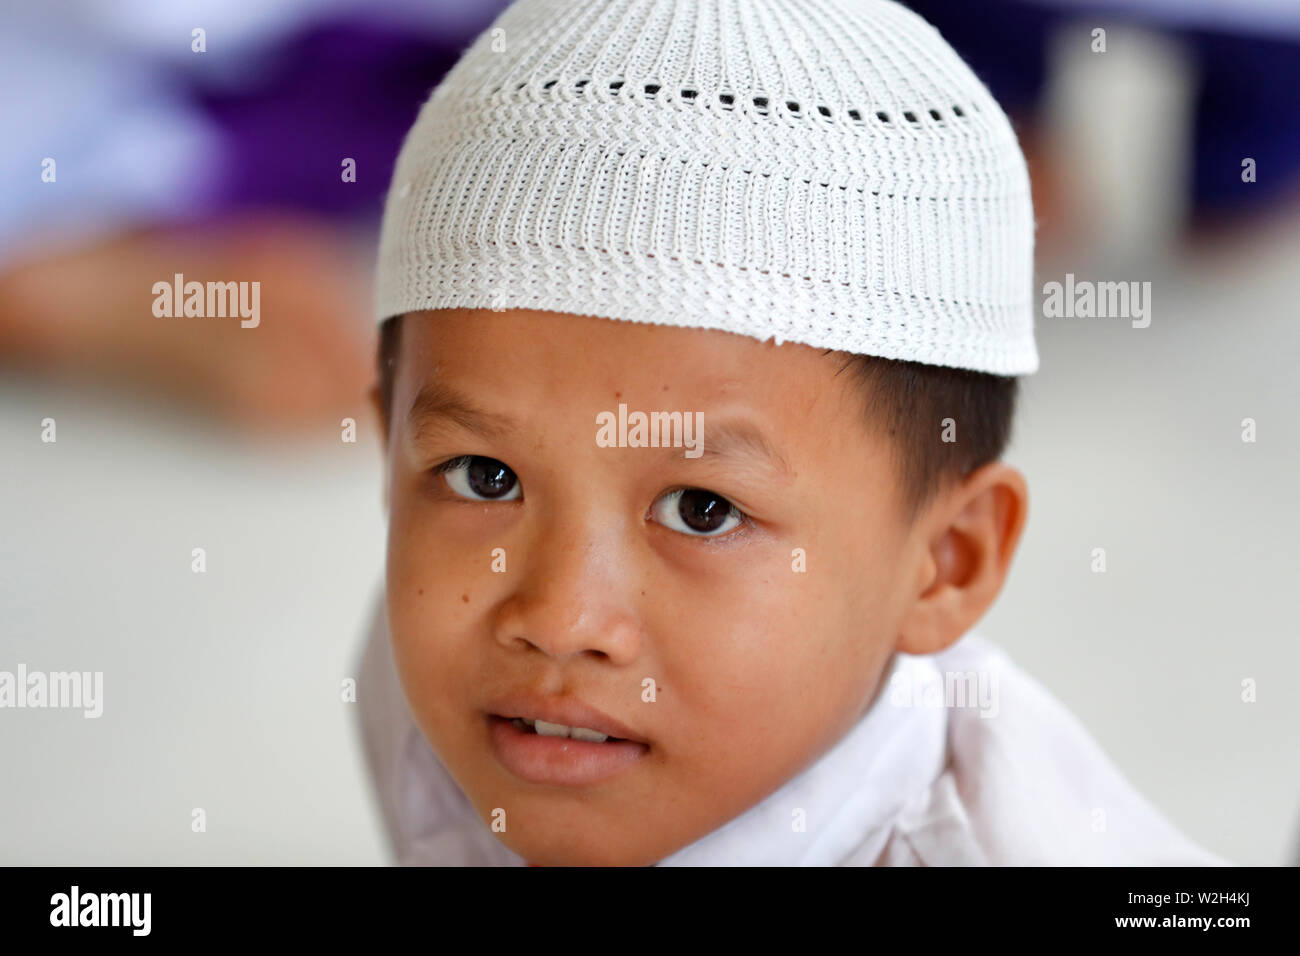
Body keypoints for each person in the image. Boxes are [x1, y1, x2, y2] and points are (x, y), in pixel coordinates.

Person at [354, 0, 1226, 866]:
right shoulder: (442, 687)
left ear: (947, 561)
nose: (557, 617)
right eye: (485, 477)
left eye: (702, 509)